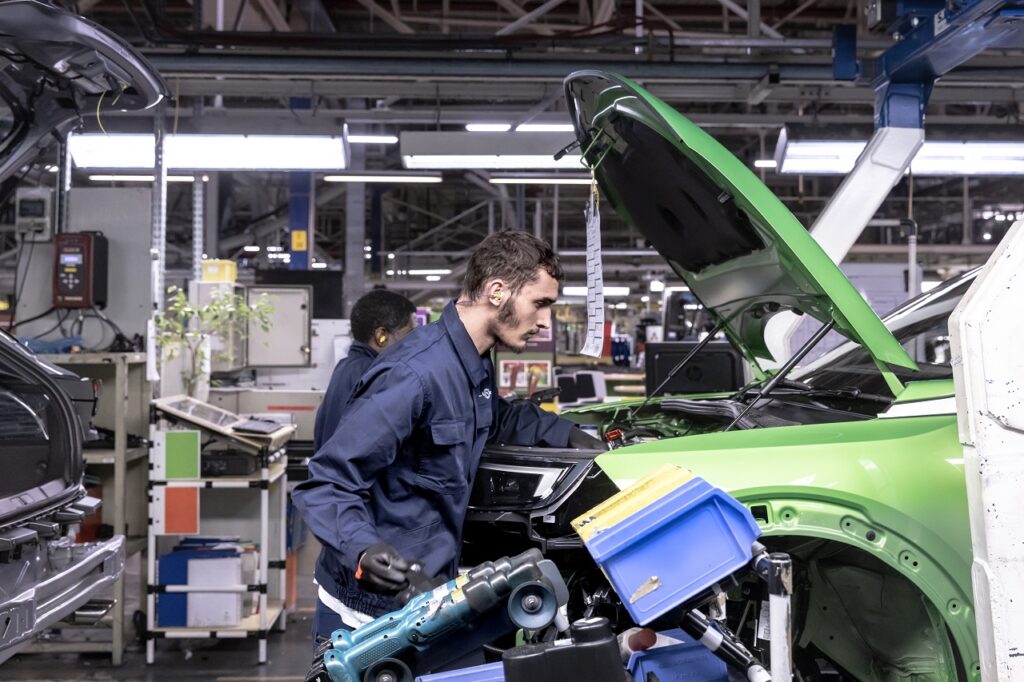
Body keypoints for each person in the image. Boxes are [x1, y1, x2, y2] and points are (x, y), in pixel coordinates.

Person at [293, 231, 603, 649]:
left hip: (429, 596)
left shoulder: (472, 360)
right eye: (541, 304)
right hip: (367, 616)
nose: (546, 321)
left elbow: (493, 418)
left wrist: (570, 435)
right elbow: (327, 481)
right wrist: (364, 550)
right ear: (497, 292)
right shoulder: (414, 374)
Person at [312, 289, 416, 451]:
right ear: (381, 336)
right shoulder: (376, 377)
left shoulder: (346, 367)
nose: (415, 342)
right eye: (410, 334)